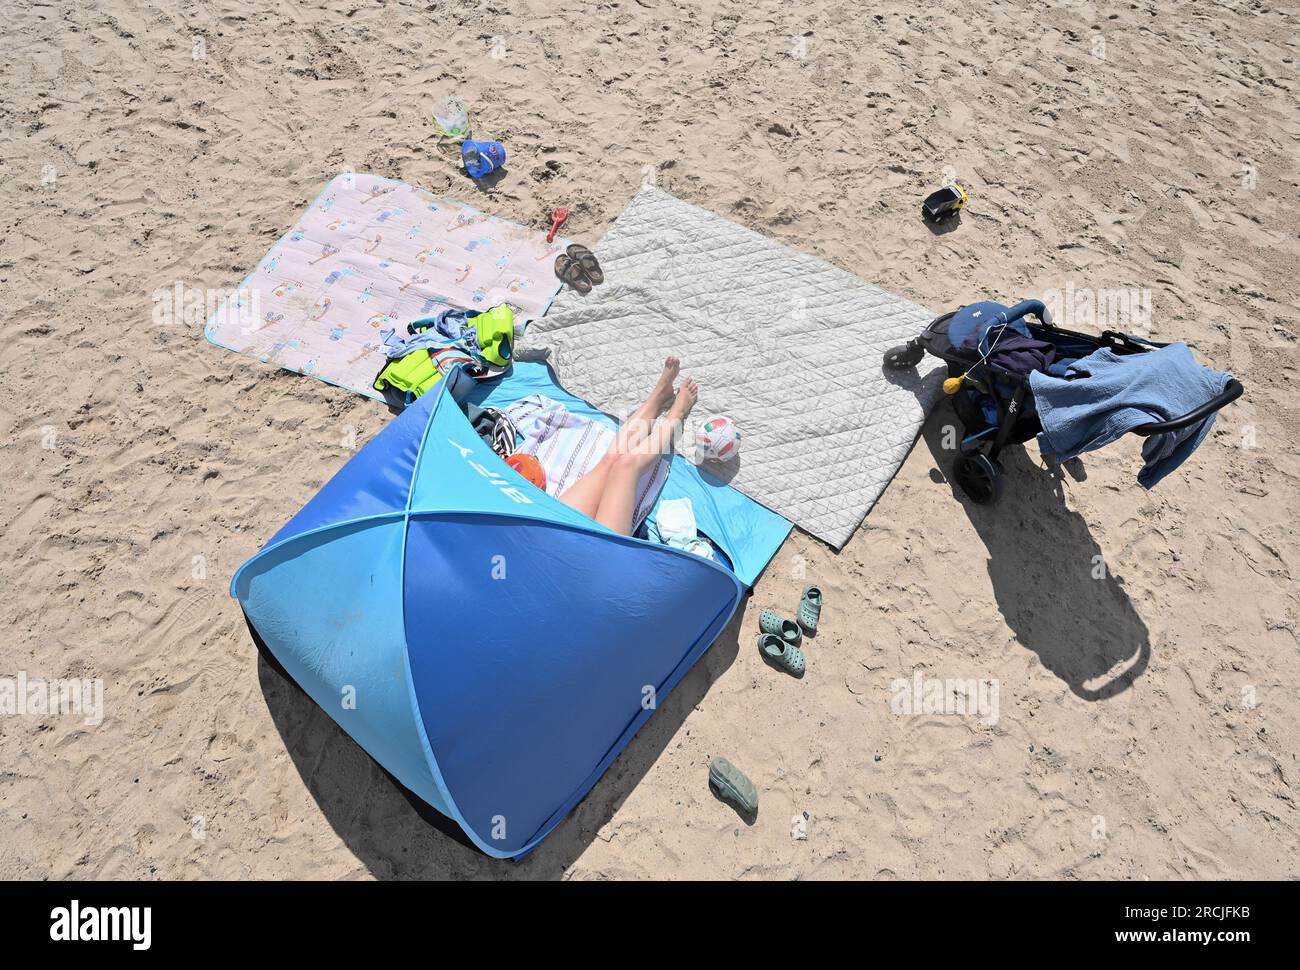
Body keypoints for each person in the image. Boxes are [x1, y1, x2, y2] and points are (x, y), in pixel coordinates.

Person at [556, 357, 698, 536]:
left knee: (611, 460)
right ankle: (676, 414)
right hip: (597, 554)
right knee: (627, 465)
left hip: (546, 537)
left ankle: (657, 398)